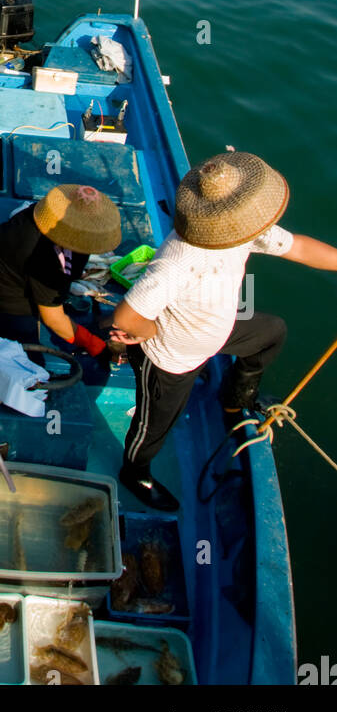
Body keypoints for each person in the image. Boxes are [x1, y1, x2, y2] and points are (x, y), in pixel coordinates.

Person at [111, 151, 337, 511]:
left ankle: (236, 396)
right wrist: (150, 329)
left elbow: (299, 247)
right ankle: (134, 471)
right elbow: (125, 317)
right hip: (172, 356)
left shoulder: (242, 228)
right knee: (153, 427)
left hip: (218, 327)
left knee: (271, 332)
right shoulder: (178, 261)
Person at [0, 184, 121, 359]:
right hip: (7, 300)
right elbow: (54, 319)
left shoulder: (44, 214)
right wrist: (94, 345)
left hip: (4, 267)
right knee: (29, 360)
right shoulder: (46, 259)